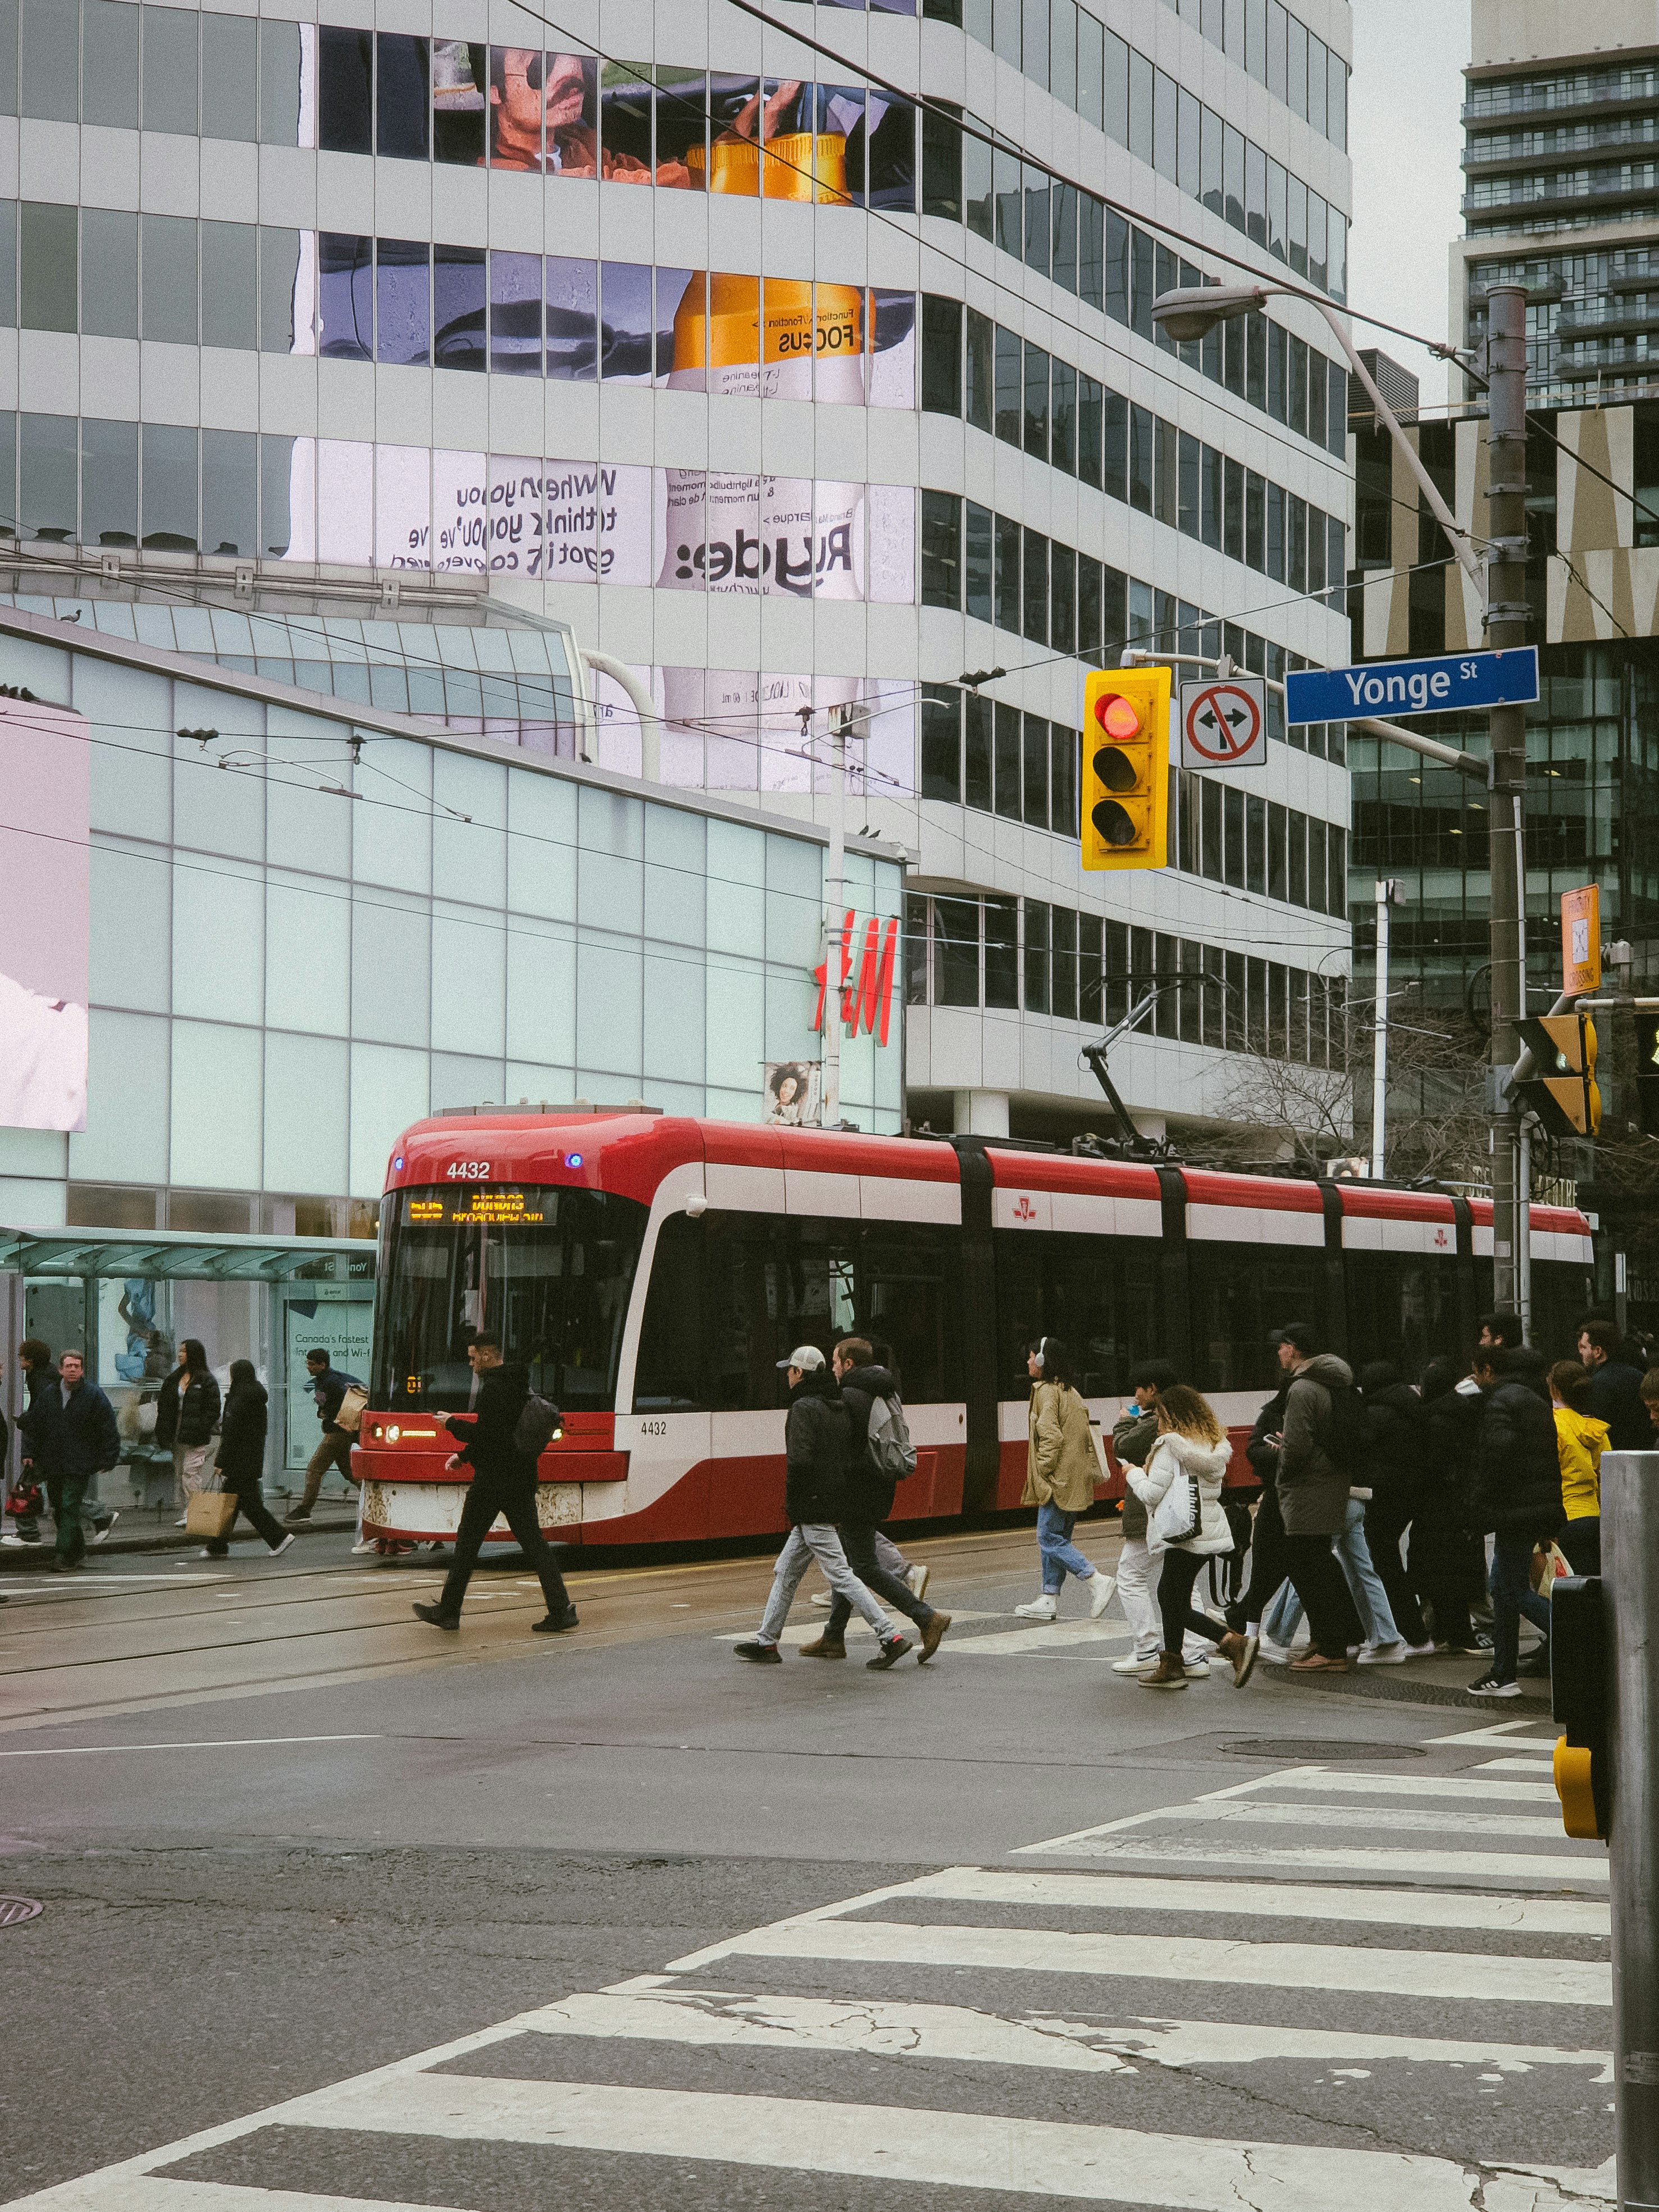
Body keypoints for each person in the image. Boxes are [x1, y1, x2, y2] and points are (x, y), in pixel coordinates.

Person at [733, 1346, 908, 1668]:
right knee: (785, 1570)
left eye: (790, 1369)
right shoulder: (837, 1405)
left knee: (843, 1575)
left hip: (811, 1506)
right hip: (830, 1502)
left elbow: (799, 1461)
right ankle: (767, 1642)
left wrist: (793, 1505)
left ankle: (890, 1636)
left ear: (800, 1373)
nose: (787, 1374)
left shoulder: (802, 1408)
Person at [413, 1333, 577, 1634]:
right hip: (520, 1476)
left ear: (488, 1355)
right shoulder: (518, 1382)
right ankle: (561, 1609)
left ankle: (449, 1612)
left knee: (467, 1544)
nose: (471, 1363)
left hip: (493, 1480)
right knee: (535, 1545)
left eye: (474, 1357)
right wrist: (464, 1457)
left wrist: (452, 1424)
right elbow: (501, 1434)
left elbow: (489, 1435)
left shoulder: (496, 1388)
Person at [801, 1338, 950, 1663]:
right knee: (846, 1563)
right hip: (878, 1486)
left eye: (836, 1362)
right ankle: (833, 1636)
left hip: (858, 1490)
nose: (834, 1368)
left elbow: (844, 1446)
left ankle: (927, 1618)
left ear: (849, 1364)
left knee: (864, 1567)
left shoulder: (853, 1396)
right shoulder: (884, 1390)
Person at [1123, 1383, 1256, 1690]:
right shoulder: (1212, 1444)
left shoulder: (1170, 1446)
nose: (1157, 1422)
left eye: (1160, 1415)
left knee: (1171, 1599)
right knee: (1174, 1596)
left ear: (1171, 1416)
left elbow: (1152, 1494)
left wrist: (1133, 1473)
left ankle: (1231, 1642)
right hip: (1207, 1530)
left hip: (1183, 1532)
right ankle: (1171, 1665)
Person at [1466, 1345, 1564, 1697]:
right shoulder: (1534, 1400)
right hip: (1534, 1507)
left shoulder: (1501, 1402)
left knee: (1509, 1589)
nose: (1474, 1380)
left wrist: (1478, 1506)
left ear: (1489, 1370)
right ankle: (1502, 1672)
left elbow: (1496, 1456)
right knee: (1505, 1589)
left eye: (1476, 1372)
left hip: (1514, 1510)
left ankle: (1575, 1635)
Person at [1271, 1324, 1368, 1673]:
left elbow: (1296, 1446)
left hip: (1309, 1486)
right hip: (1332, 1480)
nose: (1279, 1353)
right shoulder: (1335, 1381)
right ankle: (1336, 1637)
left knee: (1310, 1564)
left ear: (1294, 1349)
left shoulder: (1303, 1388)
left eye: (1281, 1346)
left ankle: (1332, 1648)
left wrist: (1282, 1475)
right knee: (1319, 1561)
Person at [1110, 1359, 1210, 1679]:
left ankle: (1147, 1650)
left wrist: (1125, 1422)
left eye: (1139, 1388)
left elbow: (1124, 1447)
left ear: (1152, 1389)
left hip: (1157, 1513)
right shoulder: (1189, 1417)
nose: (1136, 1395)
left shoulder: (1159, 1420)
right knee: (1184, 1584)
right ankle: (1194, 1656)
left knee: (1130, 1575)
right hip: (1186, 1514)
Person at [1012, 1337, 1113, 1622]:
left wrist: (1044, 1470)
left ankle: (1095, 1579)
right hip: (1074, 1478)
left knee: (1048, 1537)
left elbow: (1051, 1437)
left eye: (1032, 1356)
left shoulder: (1045, 1391)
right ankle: (1048, 1598)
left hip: (1058, 1479)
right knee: (1058, 1537)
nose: (1029, 1361)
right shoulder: (1070, 1391)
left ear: (1043, 1360)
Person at [1355, 1362, 1437, 1656]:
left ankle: (1409, 1633)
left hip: (1383, 1495)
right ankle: (1410, 1633)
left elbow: (1360, 1449)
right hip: (1411, 1494)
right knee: (1383, 1560)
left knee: (1379, 1563)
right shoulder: (1412, 1406)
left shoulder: (1376, 1413)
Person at [1412, 1356, 1489, 1655]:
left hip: (1439, 1506)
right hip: (1462, 1504)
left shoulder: (1434, 1418)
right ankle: (1455, 1631)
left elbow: (1434, 1466)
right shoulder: (1465, 1412)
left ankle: (1450, 1631)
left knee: (1439, 1570)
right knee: (1456, 1571)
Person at [200, 1361, 294, 1560]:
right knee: (233, 1504)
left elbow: (231, 1433)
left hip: (238, 1461)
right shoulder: (255, 1396)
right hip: (250, 1459)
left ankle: (279, 1537)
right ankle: (217, 1546)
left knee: (246, 1506)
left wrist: (221, 1462)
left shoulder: (239, 1398)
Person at [51, 1350, 121, 1573]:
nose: (73, 1370)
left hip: (79, 1461)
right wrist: (29, 1453)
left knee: (70, 1505)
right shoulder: (50, 1394)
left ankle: (63, 1554)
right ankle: (78, 1550)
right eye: (69, 1366)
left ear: (82, 1370)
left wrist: (109, 1457)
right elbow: (38, 1424)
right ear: (61, 1369)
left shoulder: (93, 1395)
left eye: (77, 1366)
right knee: (59, 1508)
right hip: (53, 1462)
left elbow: (108, 1426)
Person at [285, 1348, 363, 1524]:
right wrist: (324, 1412)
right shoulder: (327, 1380)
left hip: (337, 1433)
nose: (309, 1367)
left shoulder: (330, 1382)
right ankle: (371, 1497)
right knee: (348, 1471)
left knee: (315, 1468)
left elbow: (334, 1404)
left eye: (312, 1364)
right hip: (341, 1431)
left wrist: (329, 1414)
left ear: (323, 1364)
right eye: (308, 1363)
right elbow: (324, 1404)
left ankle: (305, 1509)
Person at [1548, 1359, 1607, 1577]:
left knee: (1569, 1595)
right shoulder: (1596, 1429)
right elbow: (1606, 1477)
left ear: (1554, 1390)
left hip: (1566, 1517)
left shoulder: (1552, 1426)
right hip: (1596, 1517)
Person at [155, 1339, 221, 1526]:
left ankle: (194, 1512)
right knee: (180, 1473)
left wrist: (202, 1427)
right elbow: (163, 1406)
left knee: (191, 1472)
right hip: (175, 1431)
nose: (180, 1354)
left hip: (195, 1433)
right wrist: (162, 1431)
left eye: (184, 1351)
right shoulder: (173, 1379)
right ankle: (188, 1510)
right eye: (179, 1351)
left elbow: (213, 1408)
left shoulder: (206, 1379)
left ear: (194, 1354)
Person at [4, 1338, 56, 1548]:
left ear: (31, 1359)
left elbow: (40, 1414)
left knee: (24, 1489)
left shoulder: (40, 1379)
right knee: (60, 1488)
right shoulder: (46, 1375)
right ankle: (100, 1516)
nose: (19, 1360)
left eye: (22, 1356)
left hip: (46, 1446)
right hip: (53, 1444)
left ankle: (29, 1533)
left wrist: (25, 1420)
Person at [1576, 1321, 1649, 1452]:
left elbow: (1597, 1431)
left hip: (1612, 1457)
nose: (1580, 1352)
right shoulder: (1638, 1376)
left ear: (1598, 1351)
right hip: (1642, 1453)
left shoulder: (1598, 1383)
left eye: (1584, 1347)